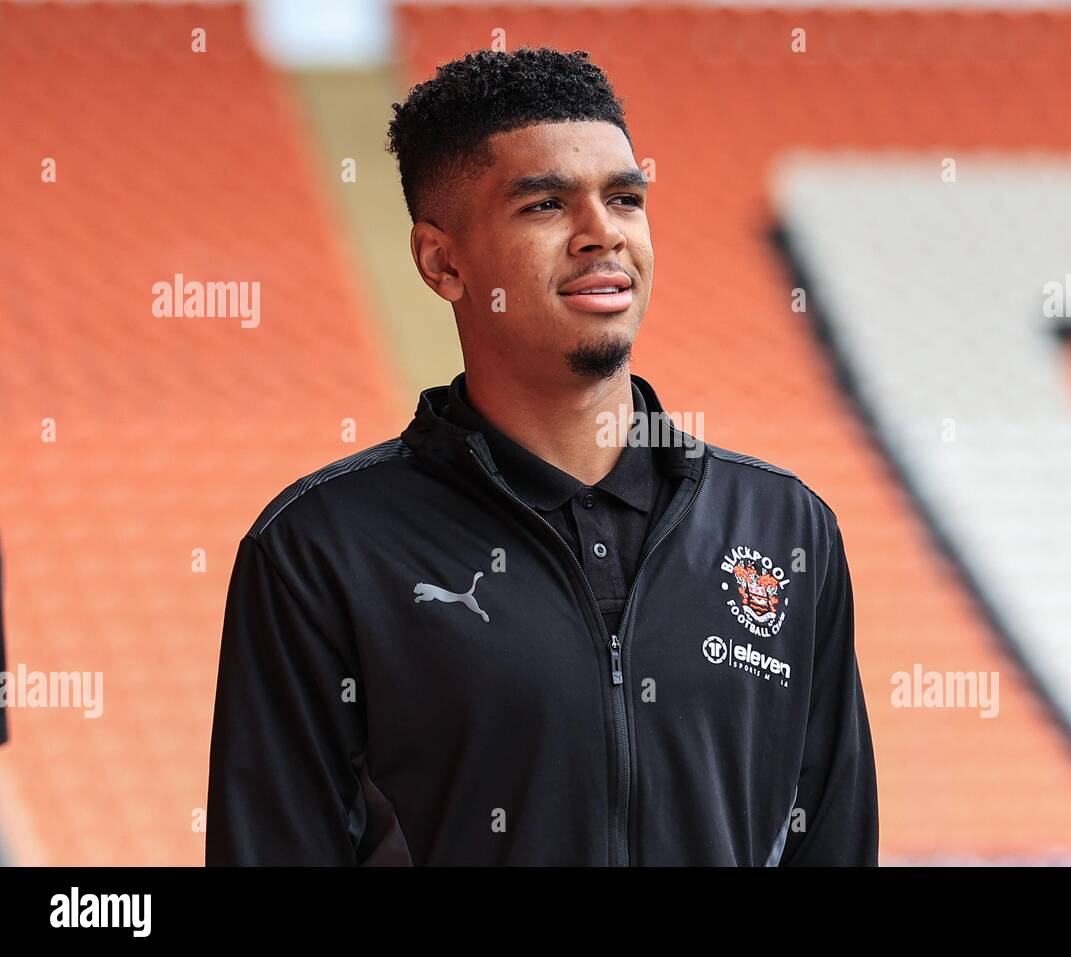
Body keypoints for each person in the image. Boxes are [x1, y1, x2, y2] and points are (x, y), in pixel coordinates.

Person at [205, 47, 877, 866]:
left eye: (625, 199)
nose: (603, 234)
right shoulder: (320, 551)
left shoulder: (784, 526)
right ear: (442, 262)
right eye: (546, 205)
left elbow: (834, 840)